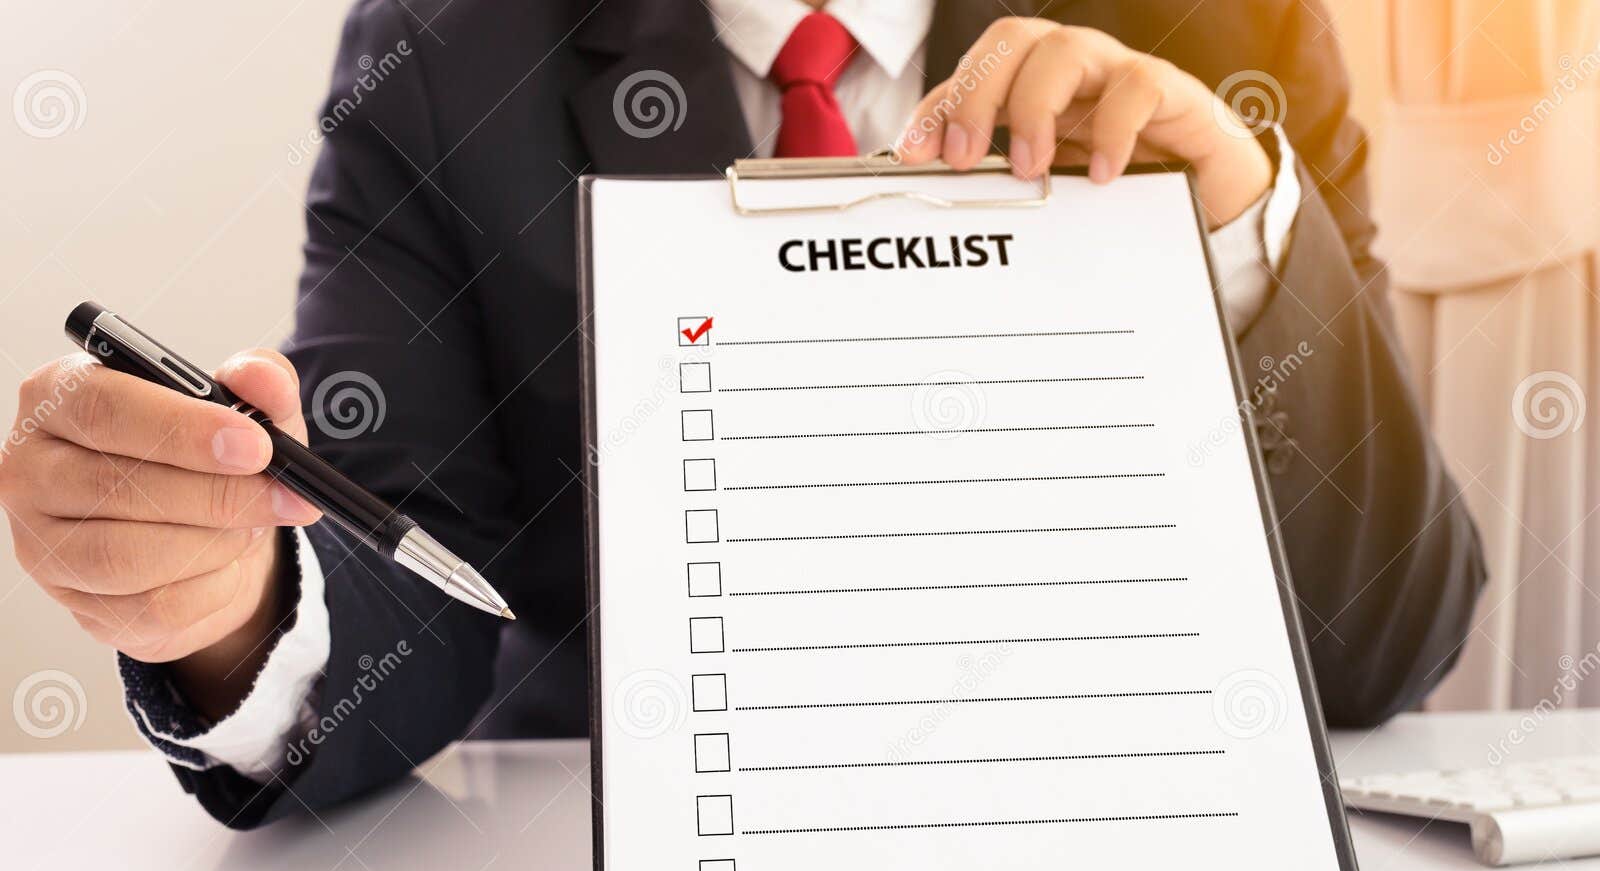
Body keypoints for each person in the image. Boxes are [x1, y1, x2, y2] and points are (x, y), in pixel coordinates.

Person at [0, 0, 1485, 828]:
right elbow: (416, 589)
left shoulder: (1236, 21)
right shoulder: (442, 51)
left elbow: (1383, 648)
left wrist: (1228, 246)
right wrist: (226, 607)